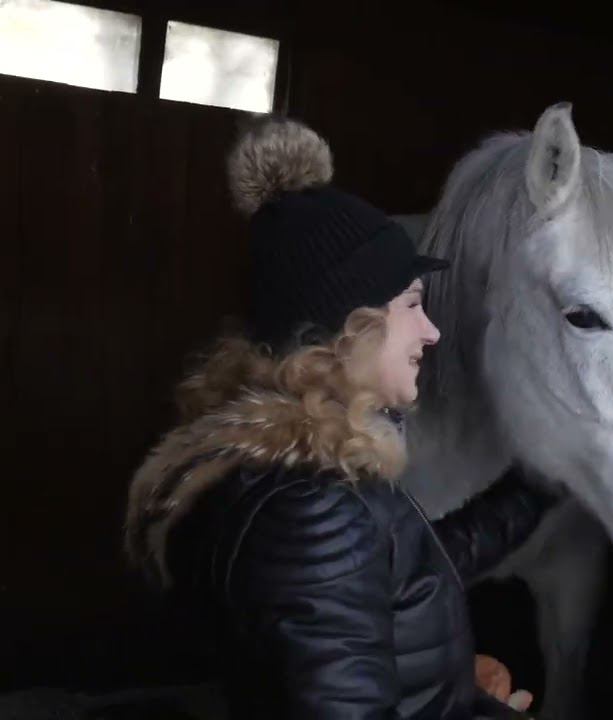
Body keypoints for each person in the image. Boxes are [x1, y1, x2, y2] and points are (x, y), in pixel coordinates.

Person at [124, 118, 552, 719]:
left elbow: (394, 571)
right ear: (349, 331)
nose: (429, 332)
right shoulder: (311, 511)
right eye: (410, 305)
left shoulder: (300, 481)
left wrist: (534, 490)